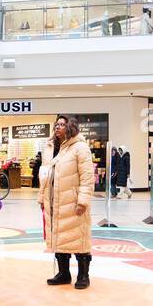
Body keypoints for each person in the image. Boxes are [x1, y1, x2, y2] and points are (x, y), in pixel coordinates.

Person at [39, 115, 93, 289]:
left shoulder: (80, 148)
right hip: (53, 200)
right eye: (57, 124)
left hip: (73, 200)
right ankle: (63, 273)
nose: (58, 127)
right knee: (58, 235)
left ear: (71, 127)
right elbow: (45, 175)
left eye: (62, 124)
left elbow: (87, 176)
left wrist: (83, 200)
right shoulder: (49, 147)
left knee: (79, 236)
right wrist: (42, 197)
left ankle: (83, 275)